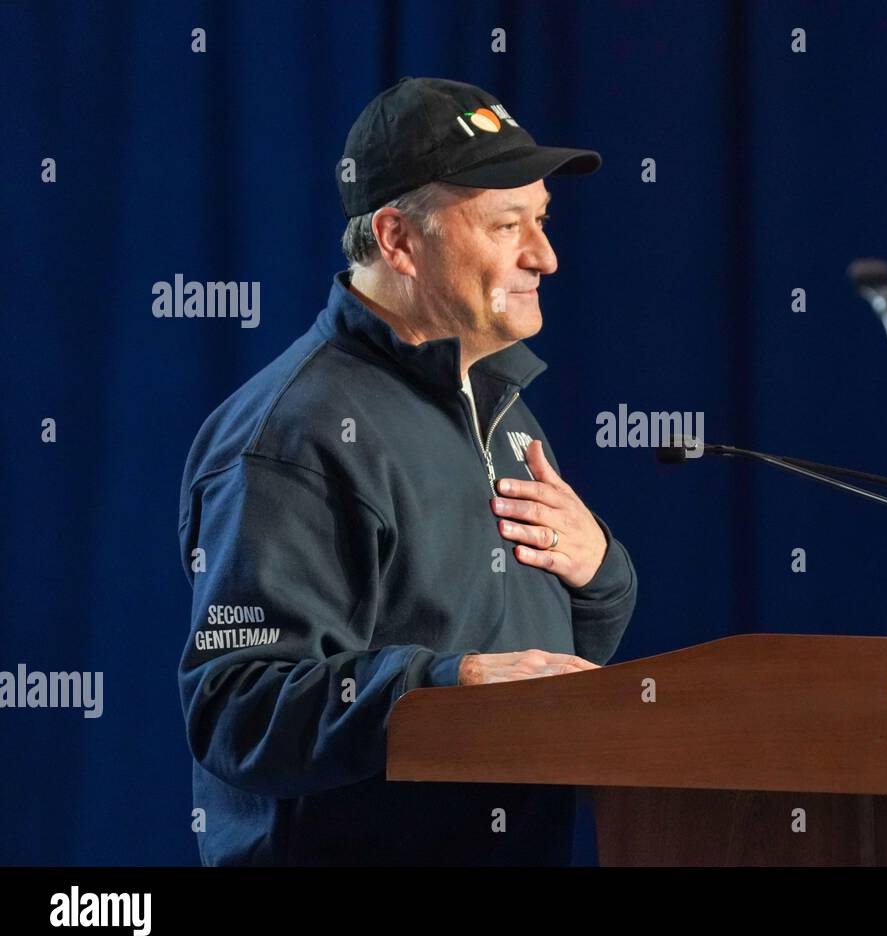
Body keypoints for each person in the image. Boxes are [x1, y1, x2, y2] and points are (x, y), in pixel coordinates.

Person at [176, 77, 637, 865]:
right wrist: (448, 689)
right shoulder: (290, 435)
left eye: (543, 221)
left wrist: (600, 576)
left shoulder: (497, 405)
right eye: (507, 225)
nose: (546, 257)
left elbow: (542, 668)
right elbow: (236, 706)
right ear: (397, 240)